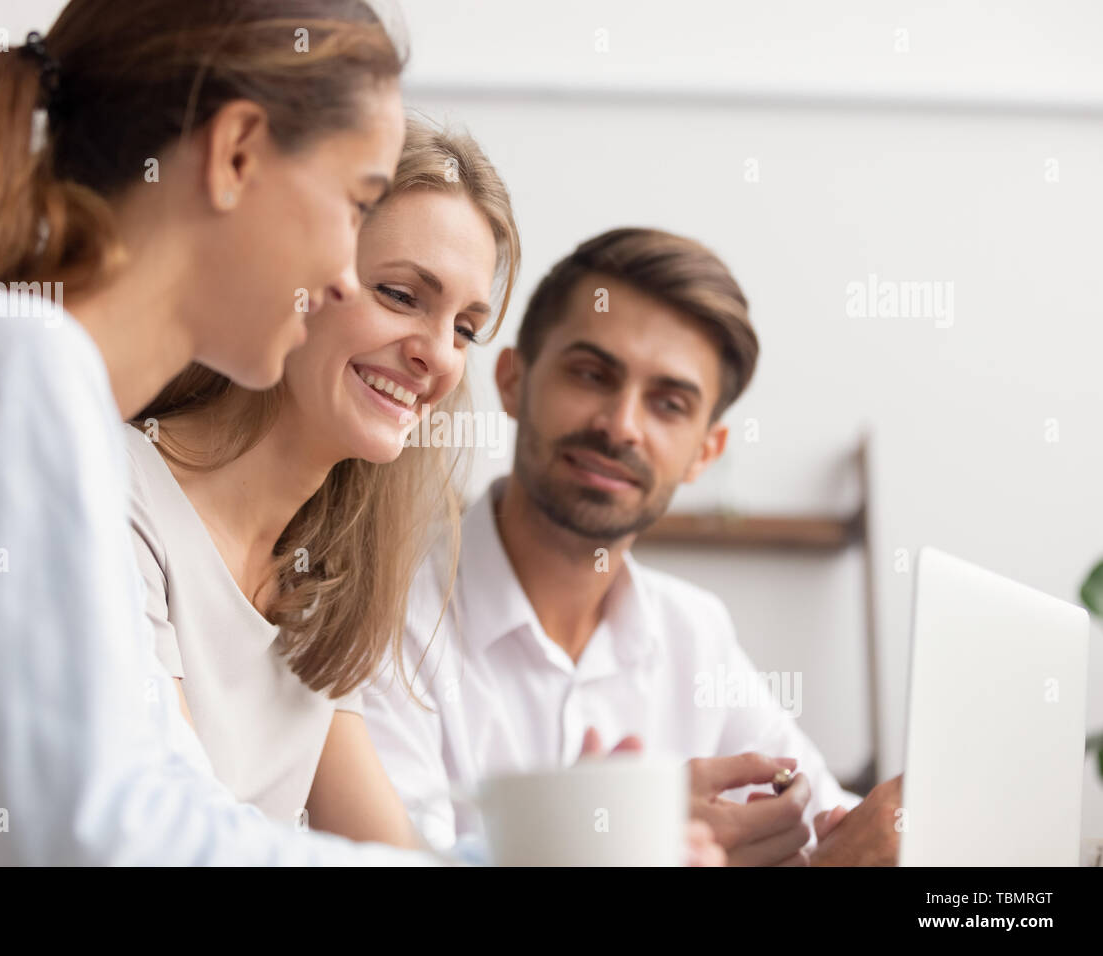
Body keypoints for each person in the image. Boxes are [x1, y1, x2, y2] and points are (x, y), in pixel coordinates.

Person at [0, 0, 433, 865]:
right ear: (237, 153)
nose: (344, 277)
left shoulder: (37, 385)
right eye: (356, 203)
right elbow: (102, 837)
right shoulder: (9, 361)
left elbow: (169, 808)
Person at [356, 227, 903, 864]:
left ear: (705, 452)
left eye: (668, 404)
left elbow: (842, 829)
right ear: (512, 381)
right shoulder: (375, 615)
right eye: (592, 374)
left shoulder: (694, 633)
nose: (620, 426)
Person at [122, 117, 517, 841]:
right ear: (299, 273)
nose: (438, 356)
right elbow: (174, 837)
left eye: (464, 327)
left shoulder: (323, 578)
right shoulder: (119, 490)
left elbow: (394, 854)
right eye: (401, 295)